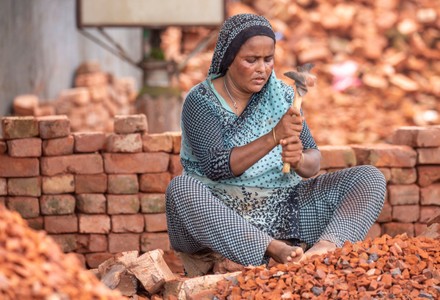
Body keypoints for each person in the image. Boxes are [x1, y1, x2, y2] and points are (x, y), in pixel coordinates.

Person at [165, 13, 386, 269]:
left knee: (369, 178)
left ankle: (323, 252)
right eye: (251, 60)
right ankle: (271, 249)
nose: (262, 68)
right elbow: (217, 166)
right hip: (221, 215)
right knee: (180, 189)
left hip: (283, 209)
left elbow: (313, 162)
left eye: (268, 59)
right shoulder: (201, 100)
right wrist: (273, 137)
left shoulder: (281, 95)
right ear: (228, 60)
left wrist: (300, 159)